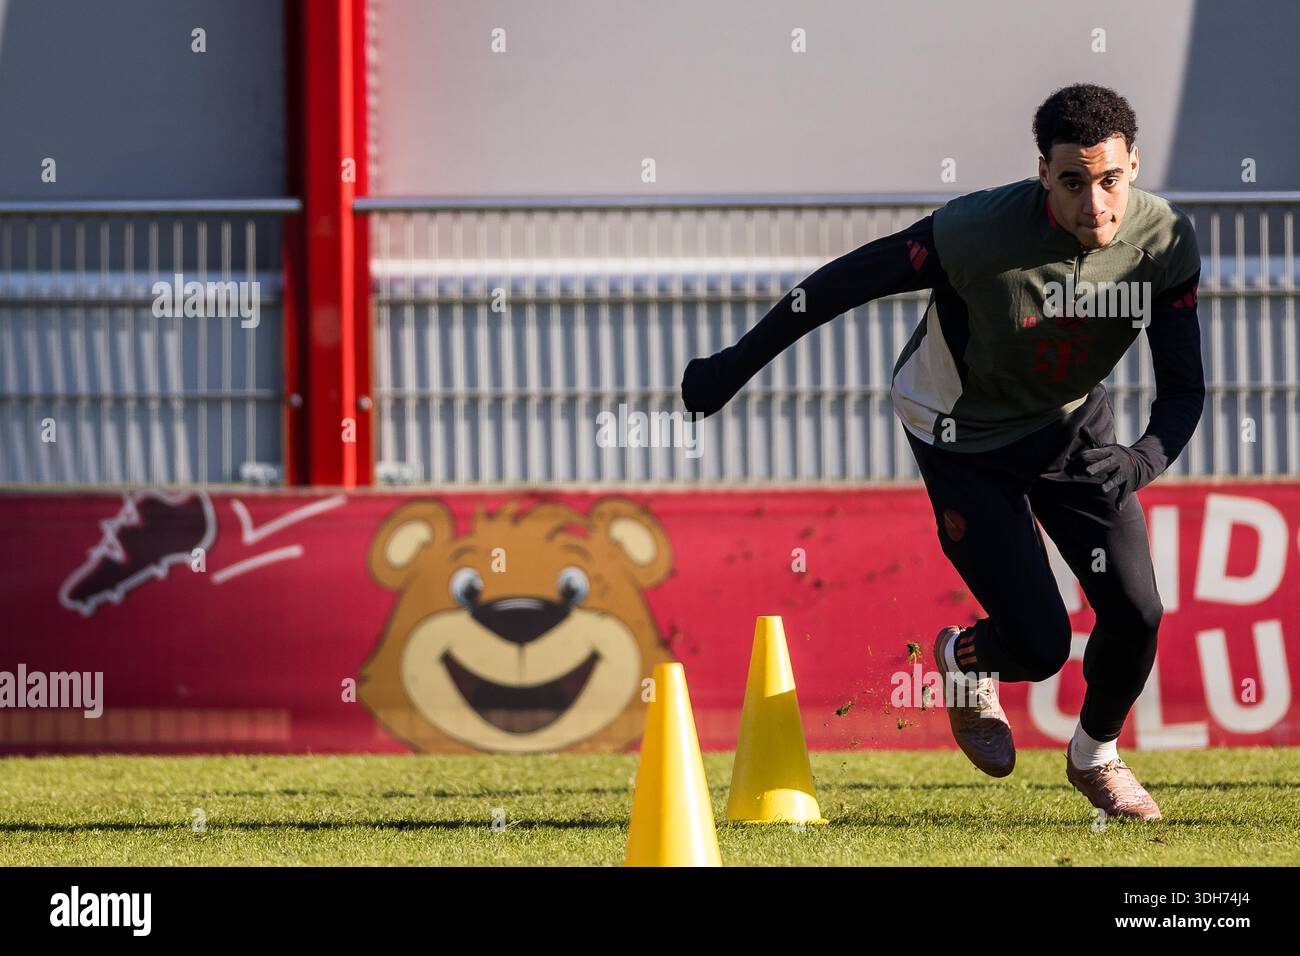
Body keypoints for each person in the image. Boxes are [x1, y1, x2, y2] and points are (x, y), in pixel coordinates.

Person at [680, 83, 1204, 821]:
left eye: (1111, 180)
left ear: (1134, 166)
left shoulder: (1165, 242)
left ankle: (1096, 757)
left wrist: (1142, 459)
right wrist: (734, 364)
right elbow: (841, 284)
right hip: (961, 437)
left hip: (1070, 427)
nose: (1095, 205)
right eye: (1072, 183)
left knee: (1138, 612)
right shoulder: (977, 233)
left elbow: (1184, 389)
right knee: (1039, 646)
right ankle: (963, 658)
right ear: (1043, 175)